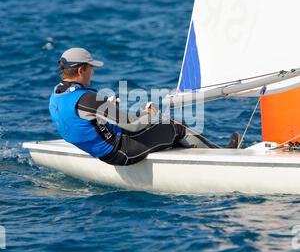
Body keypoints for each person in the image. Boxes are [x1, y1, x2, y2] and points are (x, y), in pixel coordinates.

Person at [49, 48, 241, 166]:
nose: (92, 72)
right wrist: (148, 114)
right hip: (121, 152)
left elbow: (81, 120)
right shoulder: (88, 99)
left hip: (105, 146)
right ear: (82, 69)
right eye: (91, 68)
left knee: (156, 129)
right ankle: (225, 154)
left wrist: (108, 108)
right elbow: (133, 126)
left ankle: (190, 153)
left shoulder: (57, 93)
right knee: (175, 128)